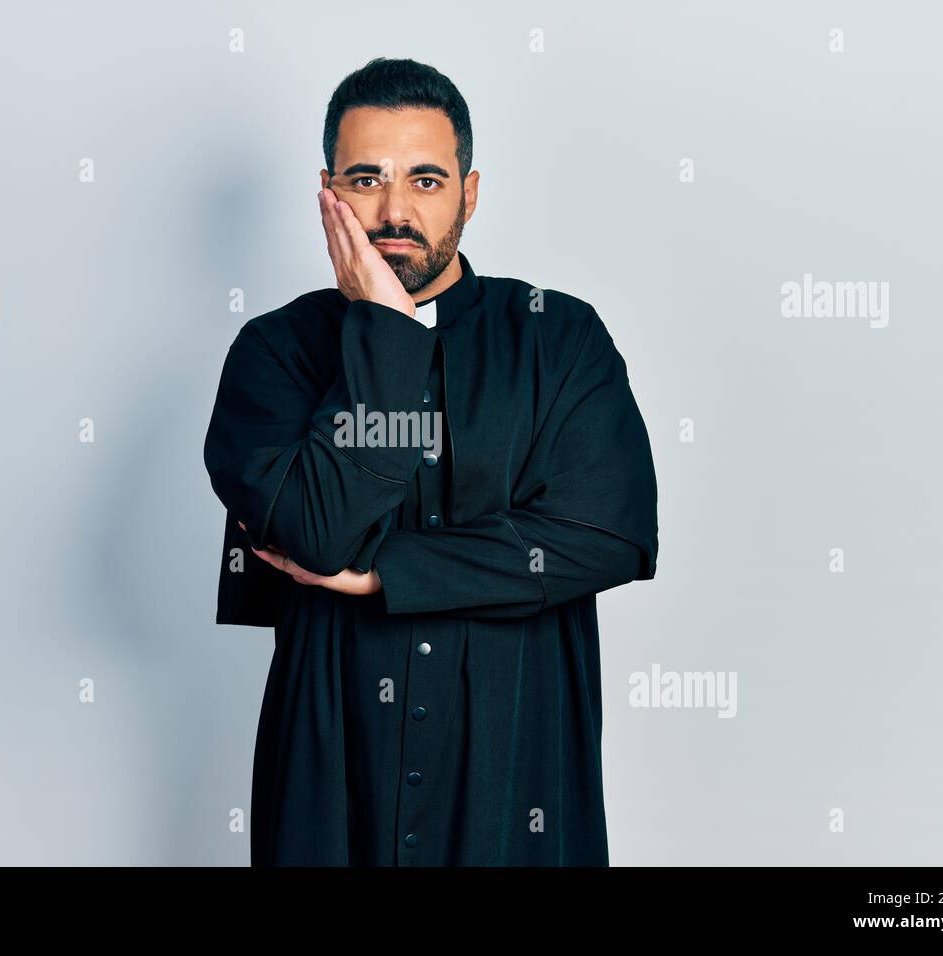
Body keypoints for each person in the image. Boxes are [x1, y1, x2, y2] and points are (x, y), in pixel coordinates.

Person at [203, 56, 659, 866]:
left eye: (424, 180)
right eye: (365, 179)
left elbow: (607, 535)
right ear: (327, 191)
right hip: (332, 769)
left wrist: (390, 572)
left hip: (516, 769)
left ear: (469, 192)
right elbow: (316, 531)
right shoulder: (274, 351)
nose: (392, 210)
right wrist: (386, 329)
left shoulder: (560, 339)